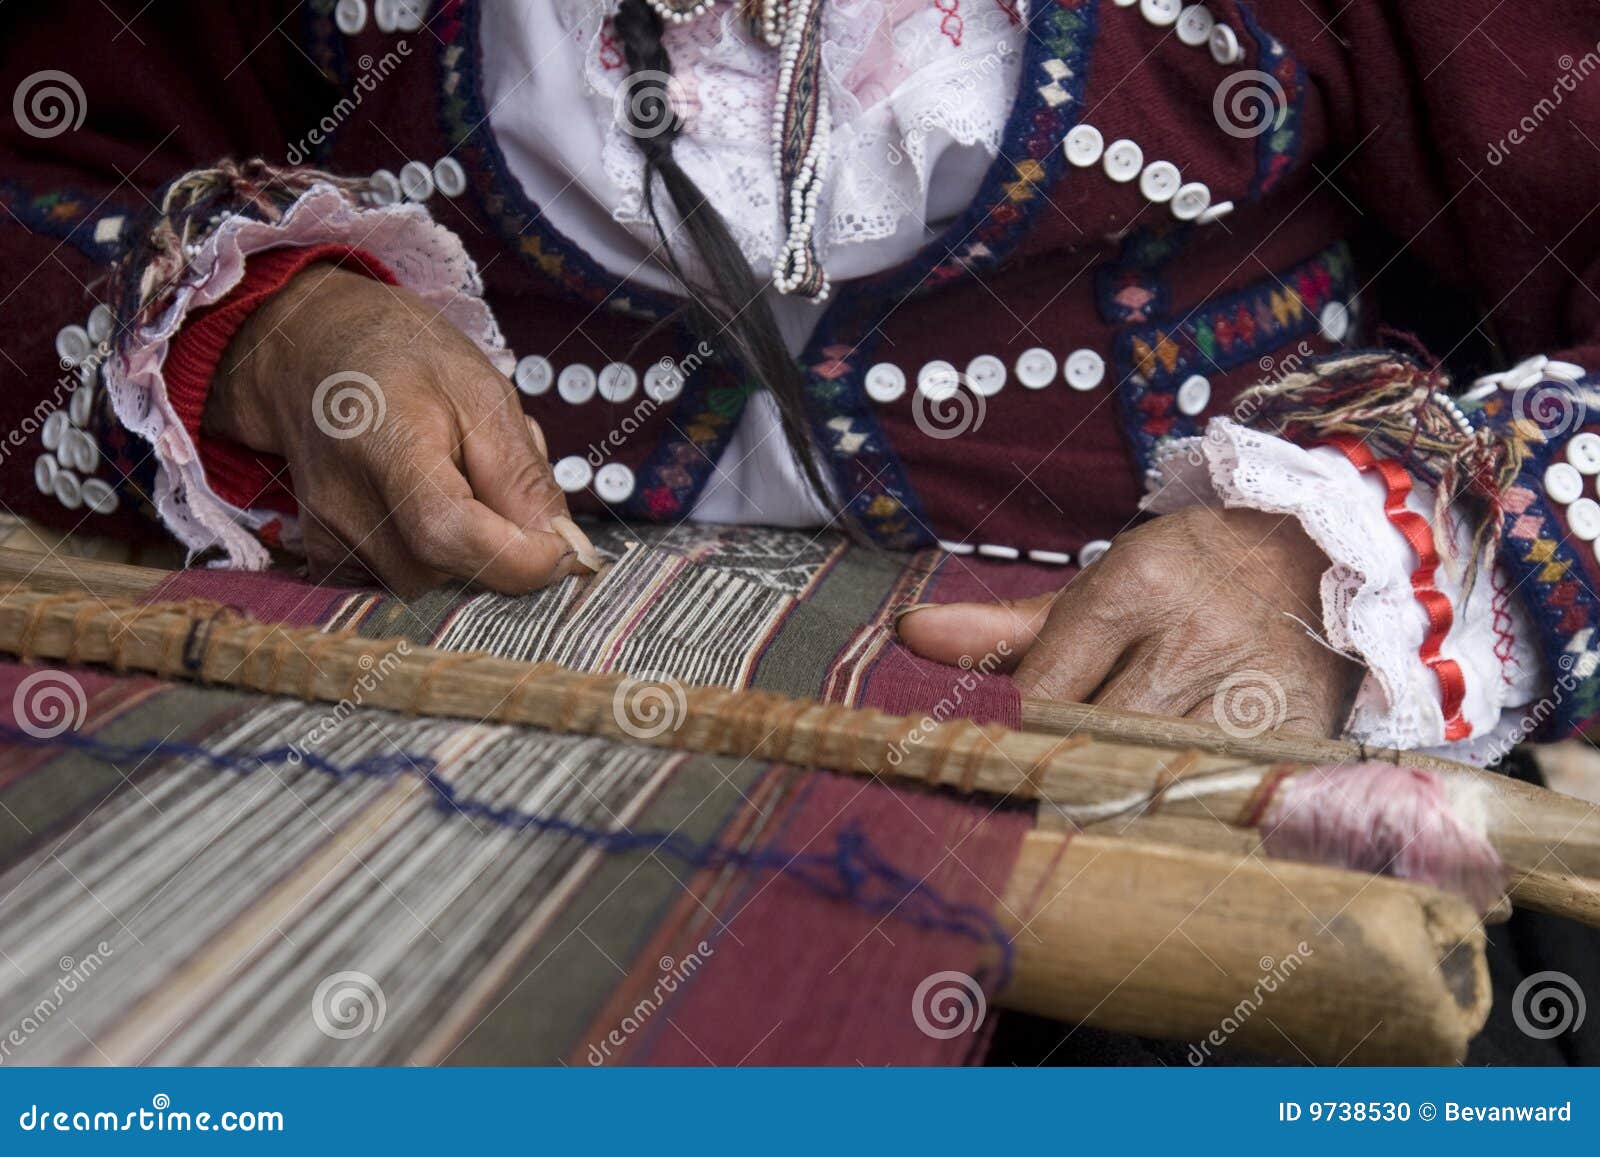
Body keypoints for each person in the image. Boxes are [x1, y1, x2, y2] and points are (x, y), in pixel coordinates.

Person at [3, 0, 1596, 763]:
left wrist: (1352, 565)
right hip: (427, 743)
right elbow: (53, 170)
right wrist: (273, 336)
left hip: (1167, 784)